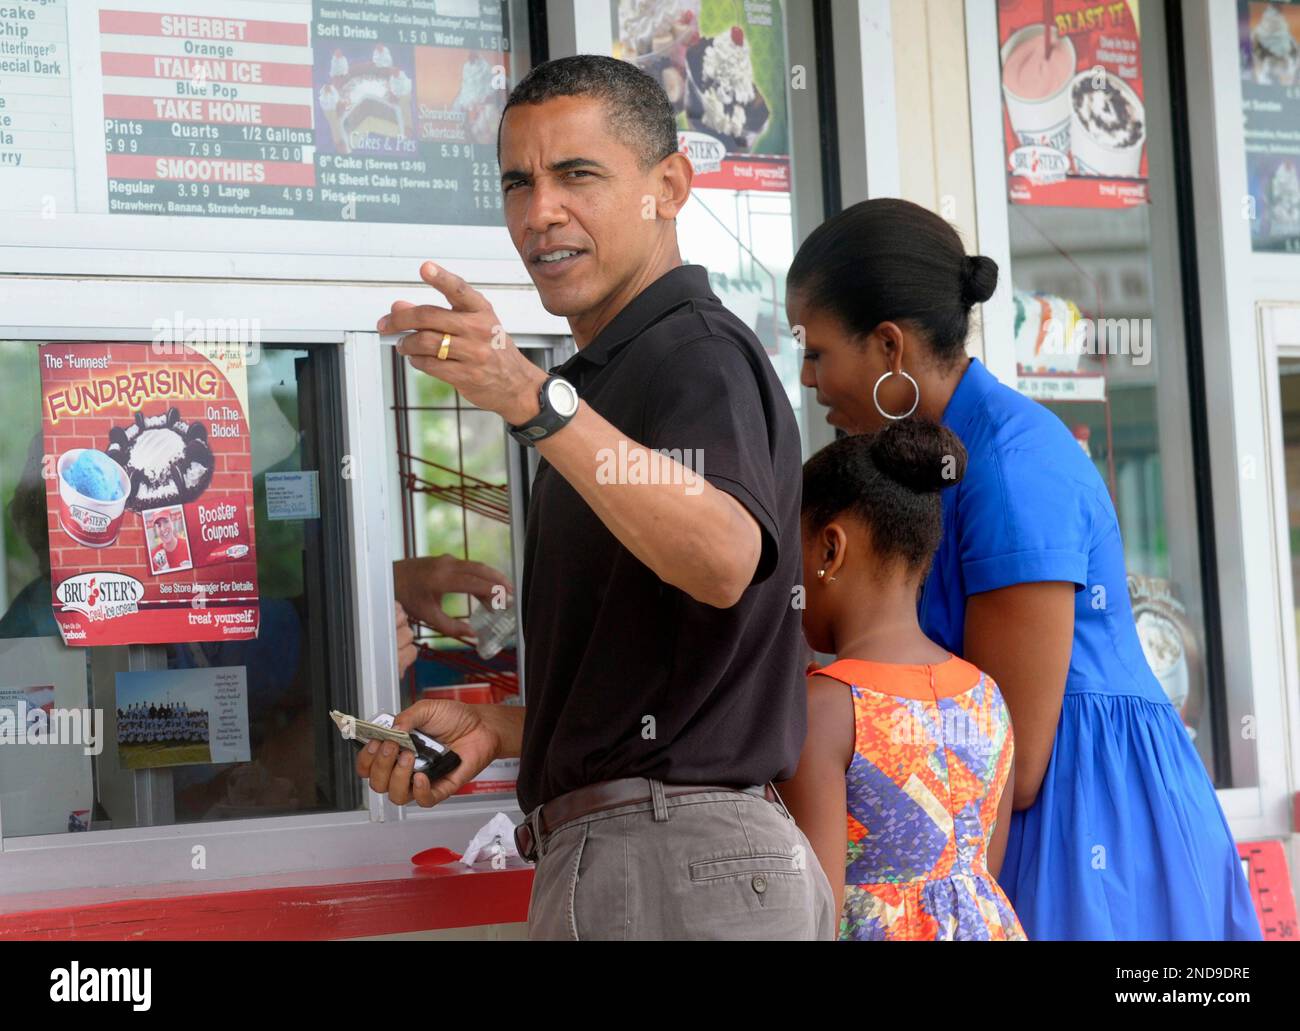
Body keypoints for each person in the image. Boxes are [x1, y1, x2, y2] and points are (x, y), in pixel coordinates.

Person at [360, 54, 834, 940]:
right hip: (655, 851)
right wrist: (500, 728)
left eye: (578, 175)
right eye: (518, 182)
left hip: (673, 856)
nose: (541, 213)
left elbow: (724, 557)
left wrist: (533, 402)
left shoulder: (693, 352)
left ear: (670, 185)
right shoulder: (610, 376)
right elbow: (666, 683)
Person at [786, 197, 1259, 940]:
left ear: (887, 348)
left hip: (1086, 826)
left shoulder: (1009, 466)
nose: (809, 380)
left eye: (816, 352)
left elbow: (1018, 761)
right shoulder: (946, 457)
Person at [781, 421, 1024, 940]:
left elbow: (814, 912)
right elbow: (980, 871)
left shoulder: (824, 708)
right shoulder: (986, 697)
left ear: (830, 550)